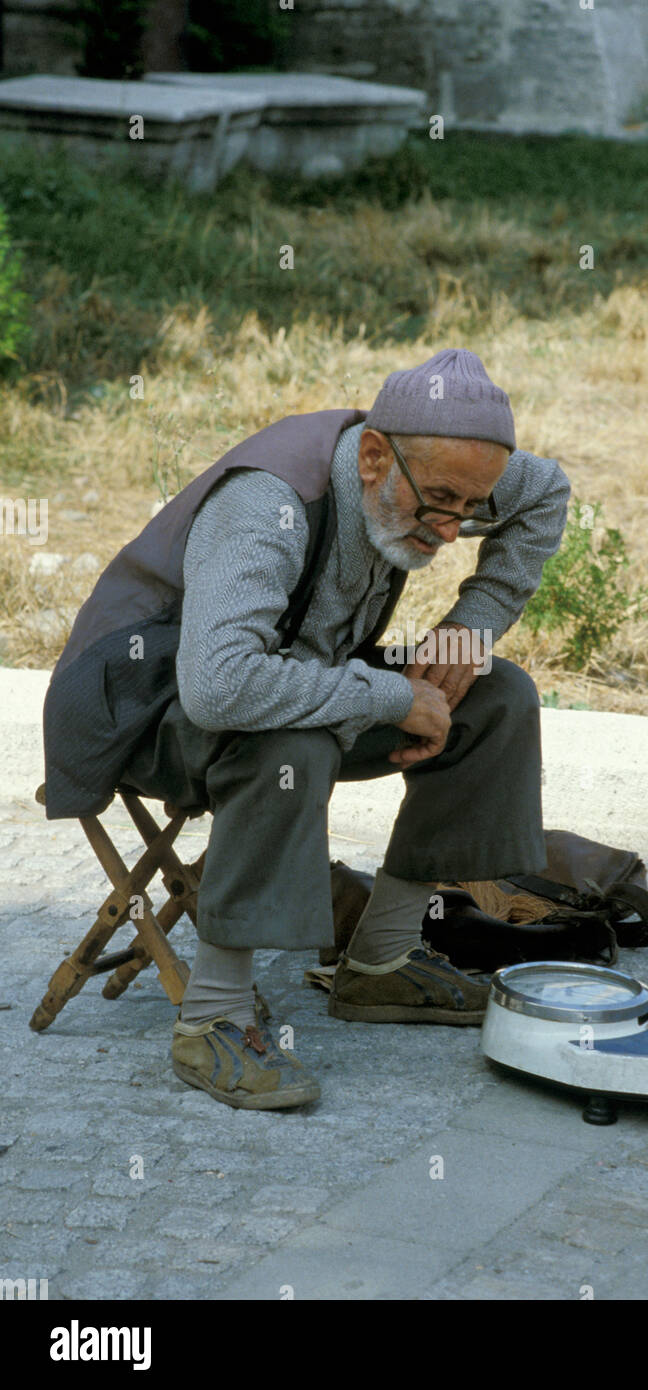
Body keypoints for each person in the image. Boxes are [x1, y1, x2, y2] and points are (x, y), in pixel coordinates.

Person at [42, 348, 570, 1109]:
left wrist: (469, 626)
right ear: (371, 456)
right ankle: (212, 1021)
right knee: (289, 740)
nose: (453, 531)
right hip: (144, 705)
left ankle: (381, 963)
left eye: (471, 508)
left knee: (496, 696)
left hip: (279, 672)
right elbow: (222, 688)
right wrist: (389, 699)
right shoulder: (268, 506)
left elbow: (546, 490)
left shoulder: (439, 466)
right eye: (440, 503)